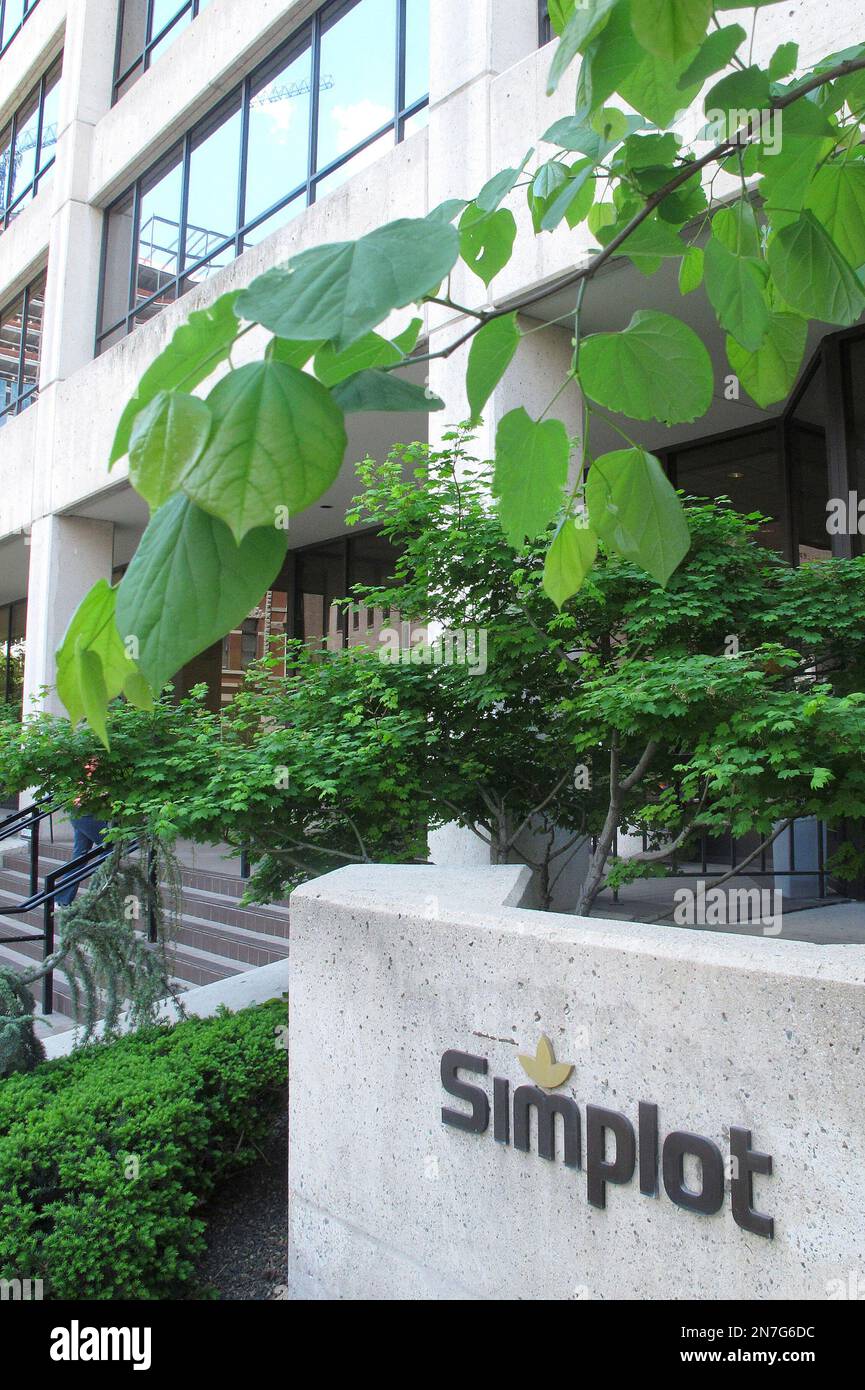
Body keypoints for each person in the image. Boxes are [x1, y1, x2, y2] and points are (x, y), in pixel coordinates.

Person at [56, 758, 110, 908]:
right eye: (93, 762)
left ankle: (62, 898)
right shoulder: (86, 777)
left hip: (81, 816)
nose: (95, 764)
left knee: (79, 856)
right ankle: (99, 886)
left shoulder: (84, 775)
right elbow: (80, 798)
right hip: (87, 816)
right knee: (110, 846)